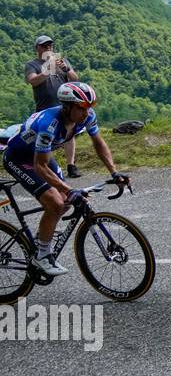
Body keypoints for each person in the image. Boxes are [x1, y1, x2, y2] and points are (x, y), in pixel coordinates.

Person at [2, 83, 129, 277]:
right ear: (67, 106)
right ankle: (41, 256)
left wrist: (114, 172)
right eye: (81, 108)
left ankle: (39, 243)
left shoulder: (86, 116)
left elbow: (99, 143)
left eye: (89, 107)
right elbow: (39, 167)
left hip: (41, 157)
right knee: (56, 202)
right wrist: (69, 189)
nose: (86, 112)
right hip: (19, 159)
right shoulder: (49, 124)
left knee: (67, 203)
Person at [24, 34, 82, 177]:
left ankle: (71, 166)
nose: (48, 48)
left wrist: (67, 69)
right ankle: (47, 166)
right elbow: (33, 81)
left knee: (69, 134)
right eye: (44, 46)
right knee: (46, 136)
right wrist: (47, 69)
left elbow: (75, 79)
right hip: (45, 107)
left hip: (64, 105)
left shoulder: (62, 61)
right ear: (37, 48)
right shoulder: (32, 64)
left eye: (50, 45)